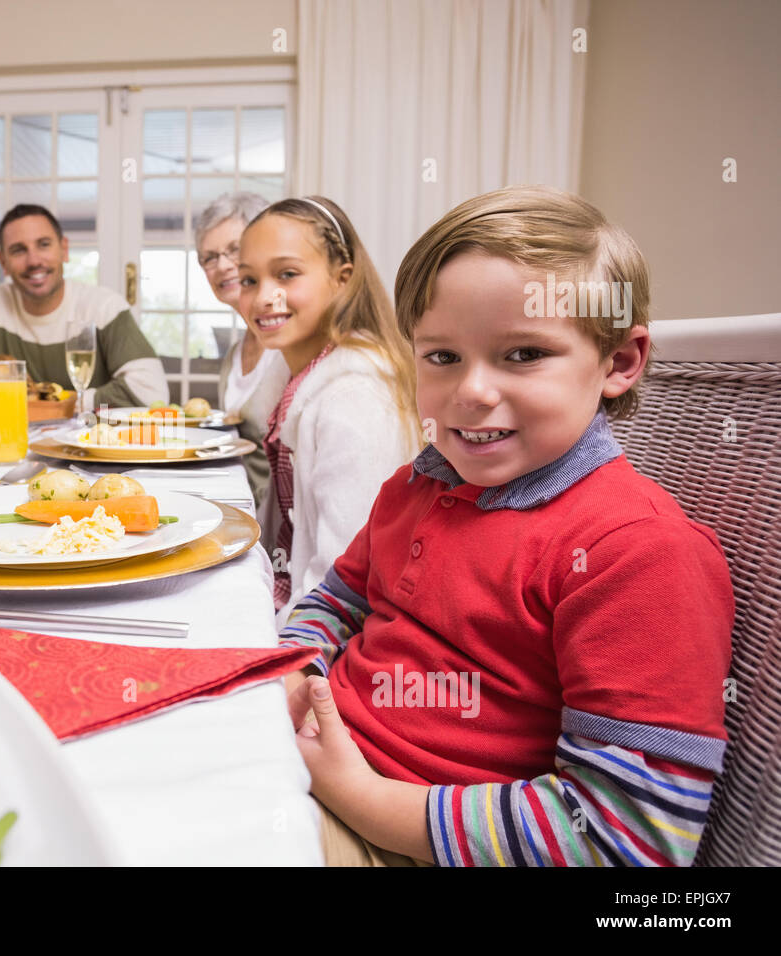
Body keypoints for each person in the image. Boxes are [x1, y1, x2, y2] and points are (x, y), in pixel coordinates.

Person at [279, 186, 733, 867]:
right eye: (442, 356)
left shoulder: (639, 553)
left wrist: (356, 794)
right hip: (314, 771)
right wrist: (294, 670)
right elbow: (336, 603)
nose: (471, 391)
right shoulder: (414, 486)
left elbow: (625, 838)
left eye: (522, 355)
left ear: (618, 362)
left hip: (401, 835)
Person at [236, 196, 420, 620]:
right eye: (249, 280)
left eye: (287, 274)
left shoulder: (354, 397)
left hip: (327, 634)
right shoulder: (296, 371)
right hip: (295, 597)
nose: (265, 296)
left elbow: (344, 577)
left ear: (342, 278)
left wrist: (288, 644)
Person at [0, 204, 167, 408]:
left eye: (44, 244)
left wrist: (66, 404)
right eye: (18, 250)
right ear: (3, 263)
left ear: (64, 250)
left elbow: (150, 393)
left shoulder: (104, 307)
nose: (34, 260)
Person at [195, 192, 288, 508]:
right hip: (239, 510)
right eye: (209, 257)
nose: (222, 265)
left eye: (234, 250)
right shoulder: (234, 355)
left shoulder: (289, 344)